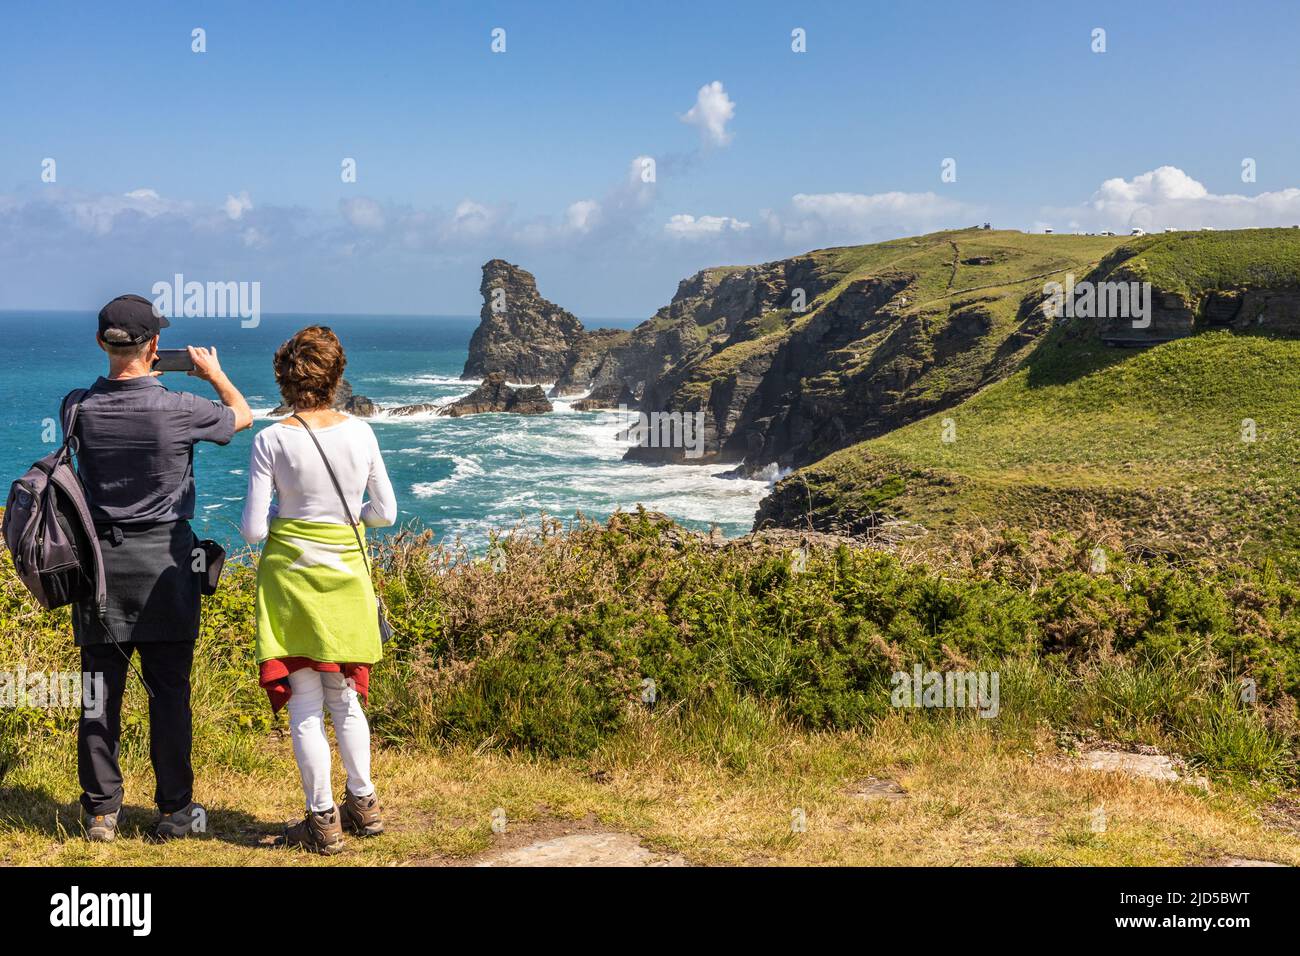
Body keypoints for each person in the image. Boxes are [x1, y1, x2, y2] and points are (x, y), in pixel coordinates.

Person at [69, 293, 253, 842]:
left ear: (102, 342)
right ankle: (174, 810)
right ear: (154, 346)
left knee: (99, 694)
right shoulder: (179, 408)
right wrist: (213, 373)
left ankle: (102, 811)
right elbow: (242, 417)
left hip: (99, 569)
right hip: (167, 570)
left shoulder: (76, 408)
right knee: (168, 694)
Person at [239, 325, 396, 854]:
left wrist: (293, 513)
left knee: (305, 702)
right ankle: (365, 802)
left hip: (290, 579)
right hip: (348, 574)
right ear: (336, 377)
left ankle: (322, 818)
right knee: (346, 695)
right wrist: (345, 514)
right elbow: (385, 514)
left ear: (284, 380)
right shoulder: (362, 434)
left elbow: (254, 531)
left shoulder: (271, 438)